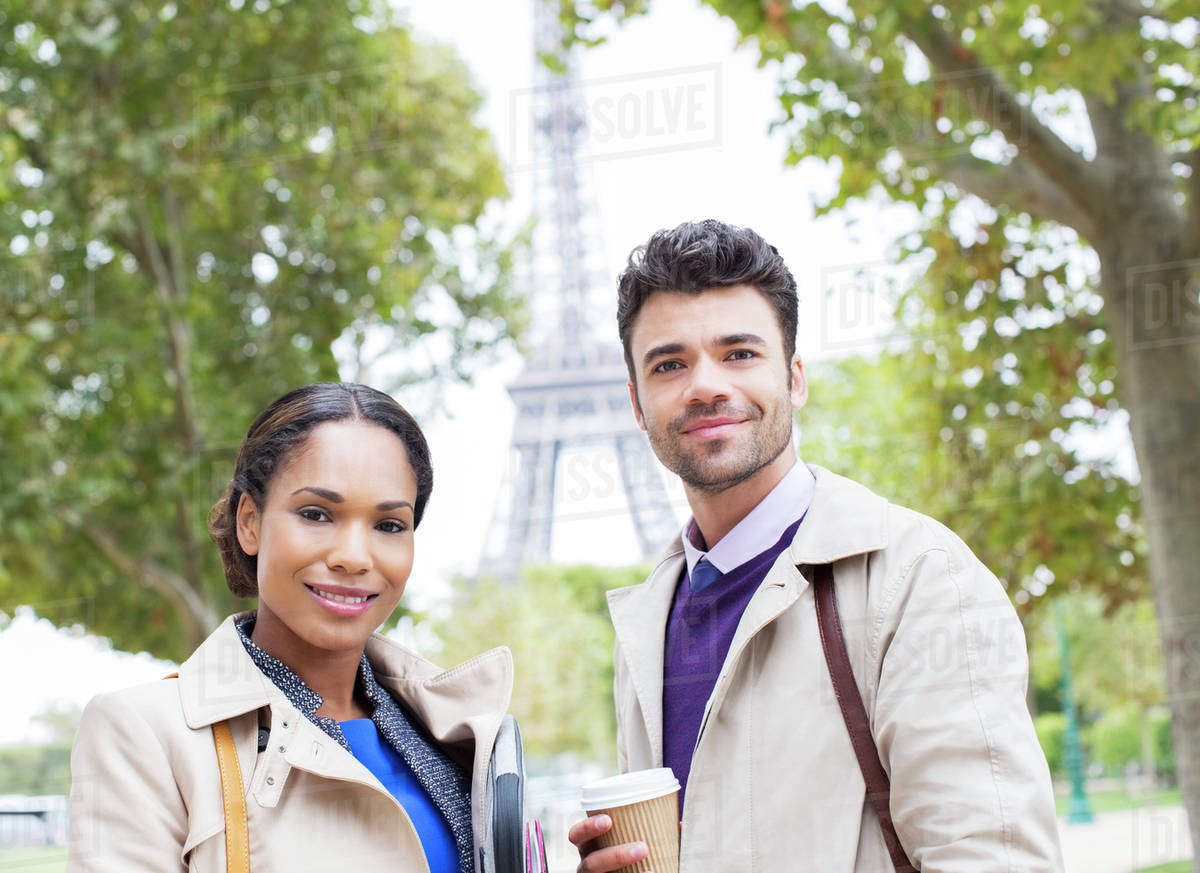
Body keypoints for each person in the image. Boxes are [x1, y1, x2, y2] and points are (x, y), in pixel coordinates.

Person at [569, 221, 1063, 872]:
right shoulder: (648, 618)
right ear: (637, 404)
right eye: (670, 364)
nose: (705, 385)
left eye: (740, 353)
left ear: (795, 378)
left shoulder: (917, 578)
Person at [68, 382, 514, 873]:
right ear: (250, 523)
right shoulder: (144, 734)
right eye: (316, 514)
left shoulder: (458, 734)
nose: (352, 557)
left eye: (388, 525)